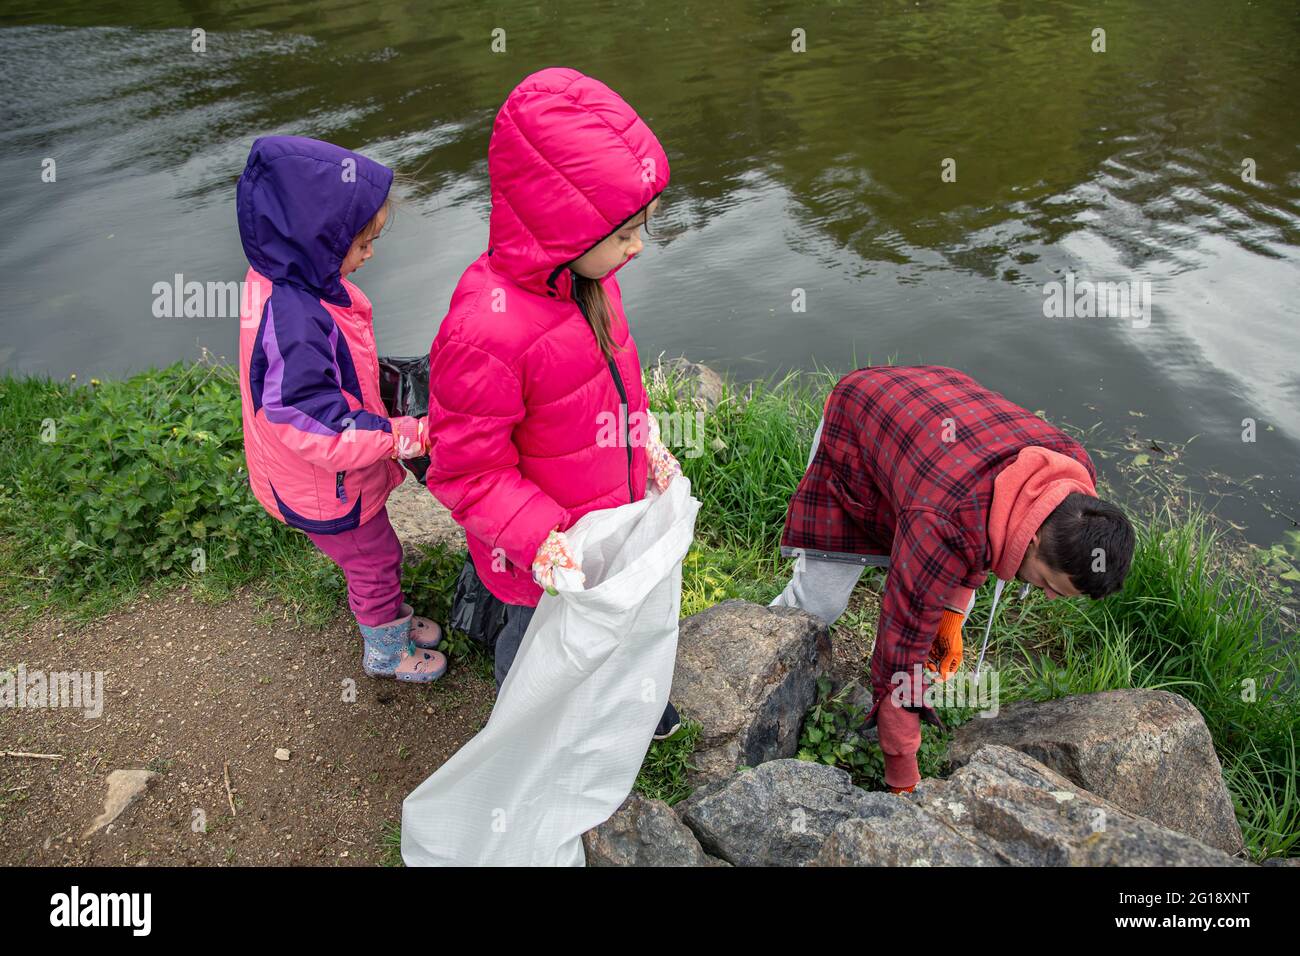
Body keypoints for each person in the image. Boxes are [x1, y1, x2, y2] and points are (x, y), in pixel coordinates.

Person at [425, 67, 684, 737]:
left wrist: (643, 433)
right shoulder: (485, 331)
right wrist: (544, 539)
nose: (637, 246)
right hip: (538, 550)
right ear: (563, 223)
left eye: (643, 226)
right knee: (536, 636)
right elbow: (466, 472)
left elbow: (614, 377)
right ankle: (525, 725)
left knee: (612, 618)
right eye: (626, 230)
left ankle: (626, 696)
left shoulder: (590, 280)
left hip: (605, 513)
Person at [771, 365, 1135, 791]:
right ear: (1033, 539)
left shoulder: (1073, 478)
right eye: (1051, 586)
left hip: (938, 424)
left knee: (935, 572)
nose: (1051, 599)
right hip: (862, 416)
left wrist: (949, 619)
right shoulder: (944, 519)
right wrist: (902, 768)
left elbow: (989, 529)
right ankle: (760, 642)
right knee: (821, 603)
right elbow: (904, 636)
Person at [236, 135, 447, 683]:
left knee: (373, 554)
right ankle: (385, 651)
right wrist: (406, 435)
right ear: (318, 243)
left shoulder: (288, 275)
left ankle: (389, 618)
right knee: (374, 560)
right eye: (361, 243)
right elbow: (317, 426)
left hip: (320, 478)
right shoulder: (296, 320)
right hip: (327, 487)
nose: (370, 253)